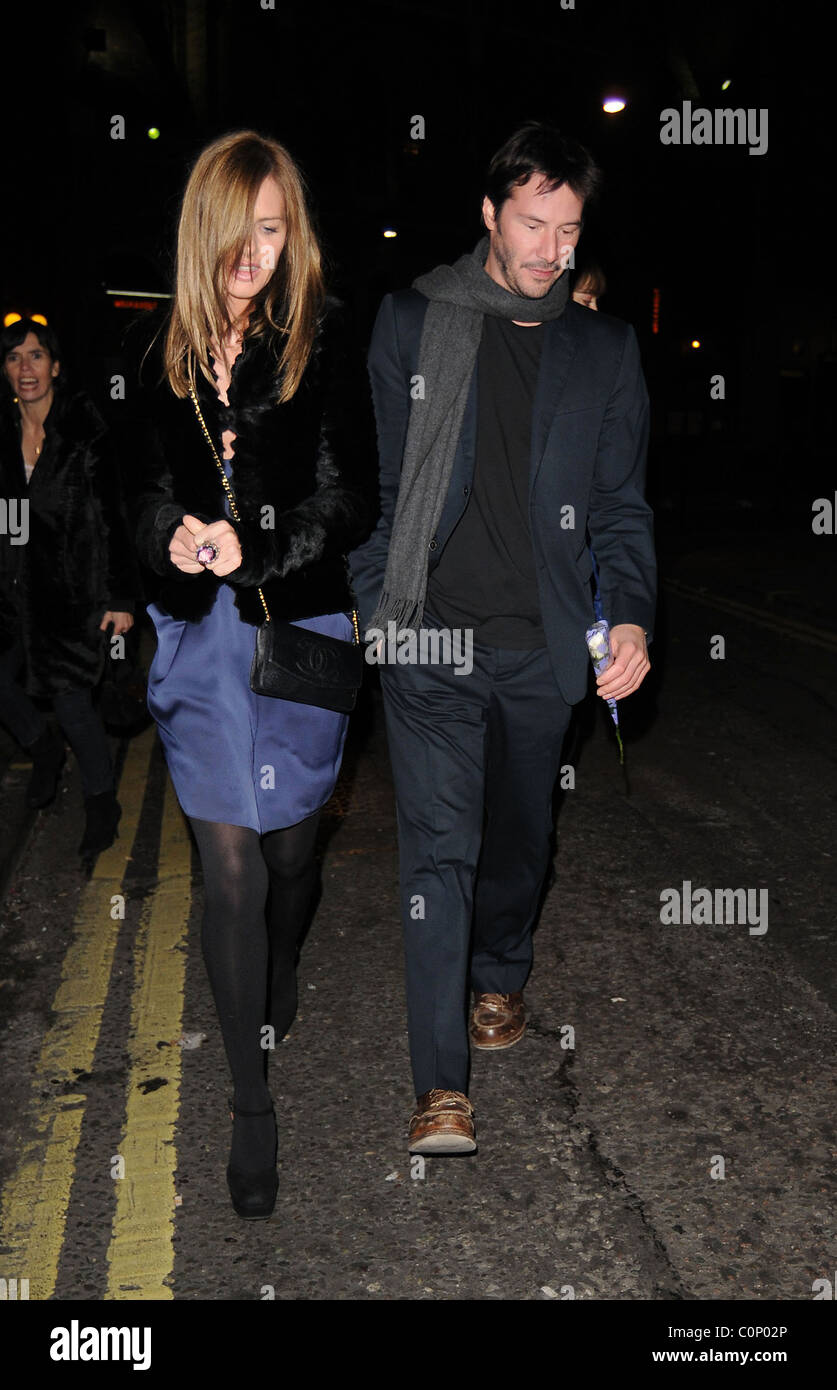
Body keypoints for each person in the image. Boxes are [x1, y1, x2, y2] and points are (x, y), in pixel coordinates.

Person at [350, 121, 656, 1155]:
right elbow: (388, 486)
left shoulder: (604, 347)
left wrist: (635, 616)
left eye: (570, 230)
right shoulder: (411, 322)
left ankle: (504, 967)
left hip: (543, 648)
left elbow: (618, 506)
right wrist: (372, 596)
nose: (551, 251)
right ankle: (441, 1087)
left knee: (519, 843)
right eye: (533, 223)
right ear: (488, 213)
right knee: (440, 854)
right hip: (432, 639)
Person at [131, 131, 376, 1219]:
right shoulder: (155, 356)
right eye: (239, 231)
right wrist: (168, 539)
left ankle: (285, 958)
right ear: (204, 230)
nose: (255, 253)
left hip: (296, 624)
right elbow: (130, 493)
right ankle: (250, 1105)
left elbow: (348, 498)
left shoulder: (319, 344)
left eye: (274, 231)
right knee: (227, 863)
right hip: (200, 643)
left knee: (288, 858)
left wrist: (257, 542)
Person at [0, 318, 136, 861]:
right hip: (11, 590)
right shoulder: (4, 434)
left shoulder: (84, 428)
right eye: (13, 358)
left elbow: (113, 518)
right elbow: (11, 516)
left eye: (36, 356)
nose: (25, 368)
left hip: (72, 590)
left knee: (73, 699)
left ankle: (102, 801)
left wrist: (121, 598)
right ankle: (41, 745)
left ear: (55, 366)